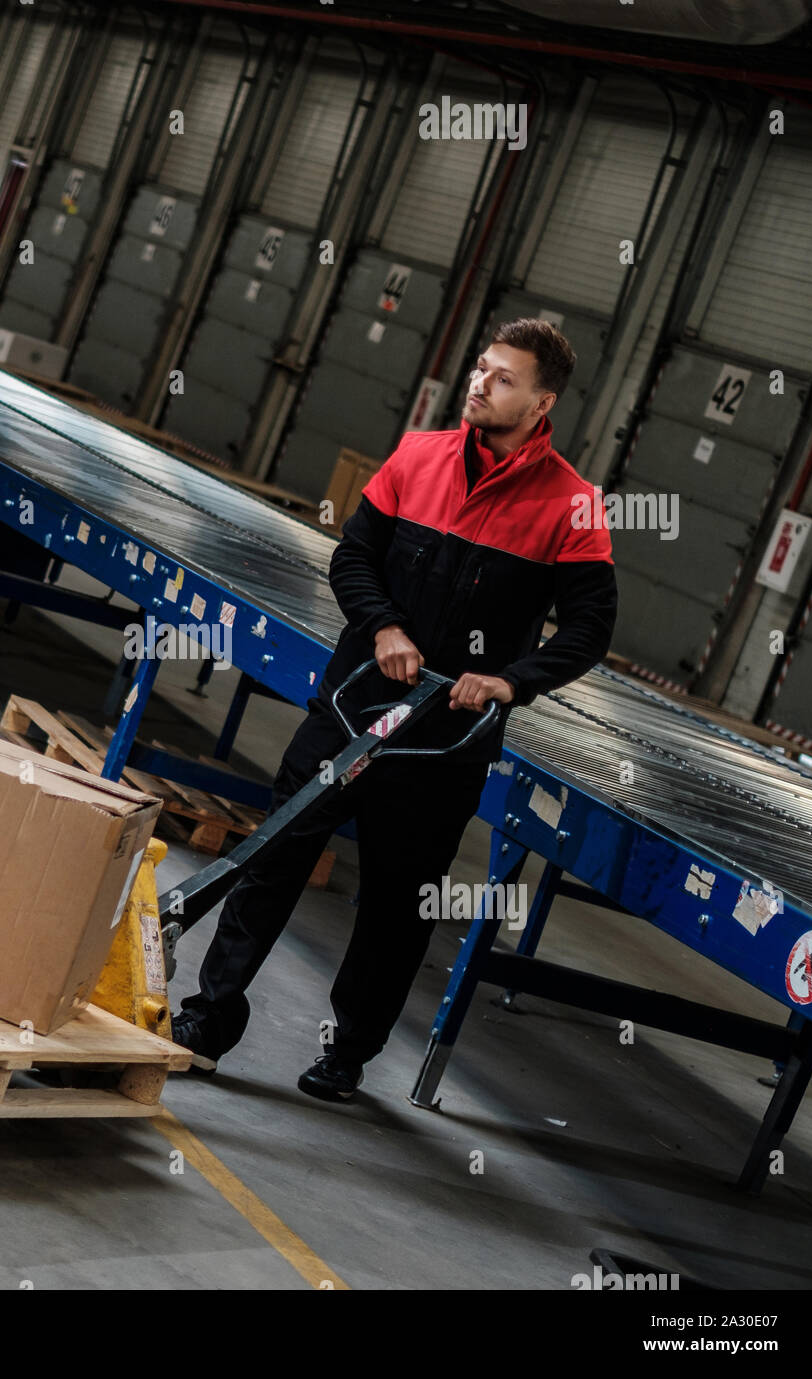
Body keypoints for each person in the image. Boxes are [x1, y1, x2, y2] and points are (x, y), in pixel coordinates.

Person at [172, 317, 618, 1102]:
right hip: (355, 704)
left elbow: (590, 627)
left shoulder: (572, 506)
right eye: (480, 368)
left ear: (543, 402)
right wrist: (383, 627)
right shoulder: (418, 455)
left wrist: (512, 680)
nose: (480, 383)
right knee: (274, 856)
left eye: (503, 378)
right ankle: (208, 1021)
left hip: (446, 740)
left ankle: (346, 1053)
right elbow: (353, 554)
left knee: (397, 899)